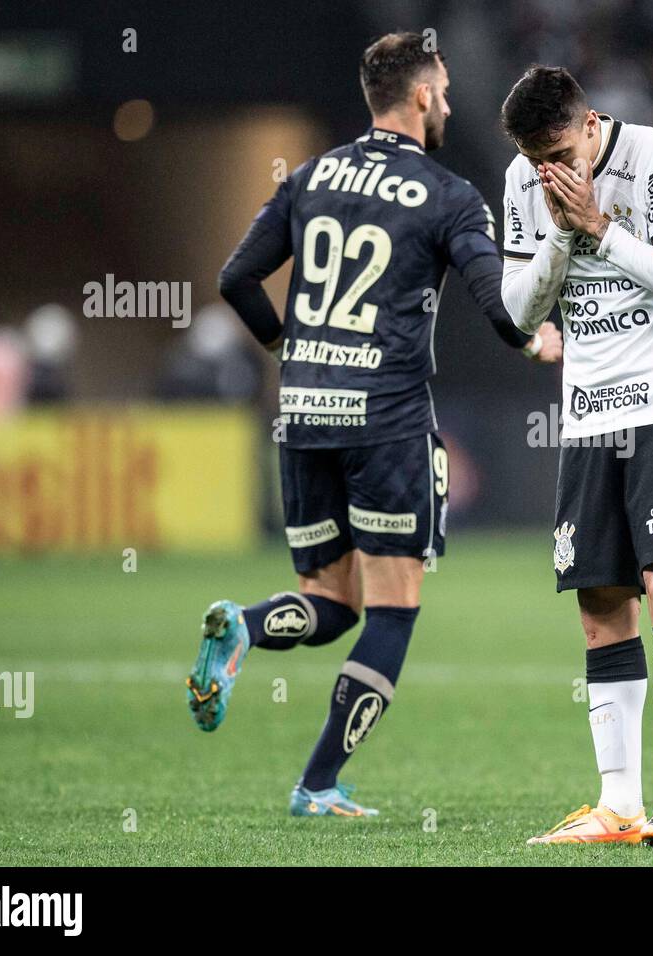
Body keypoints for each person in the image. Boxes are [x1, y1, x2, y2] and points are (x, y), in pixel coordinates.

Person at [185, 32, 561, 818]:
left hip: (305, 413)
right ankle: (317, 784)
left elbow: (236, 278)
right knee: (391, 610)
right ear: (421, 95)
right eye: (446, 90)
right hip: (386, 420)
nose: (451, 103)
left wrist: (292, 348)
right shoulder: (448, 192)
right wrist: (535, 336)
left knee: (329, 603)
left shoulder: (312, 176)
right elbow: (496, 303)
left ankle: (246, 629)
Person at [500, 66, 653, 846]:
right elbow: (519, 308)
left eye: (561, 151)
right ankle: (617, 803)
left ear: (591, 124)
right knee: (601, 607)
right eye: (537, 159)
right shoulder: (522, 180)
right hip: (590, 412)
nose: (550, 172)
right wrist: (562, 236)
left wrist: (598, 225)